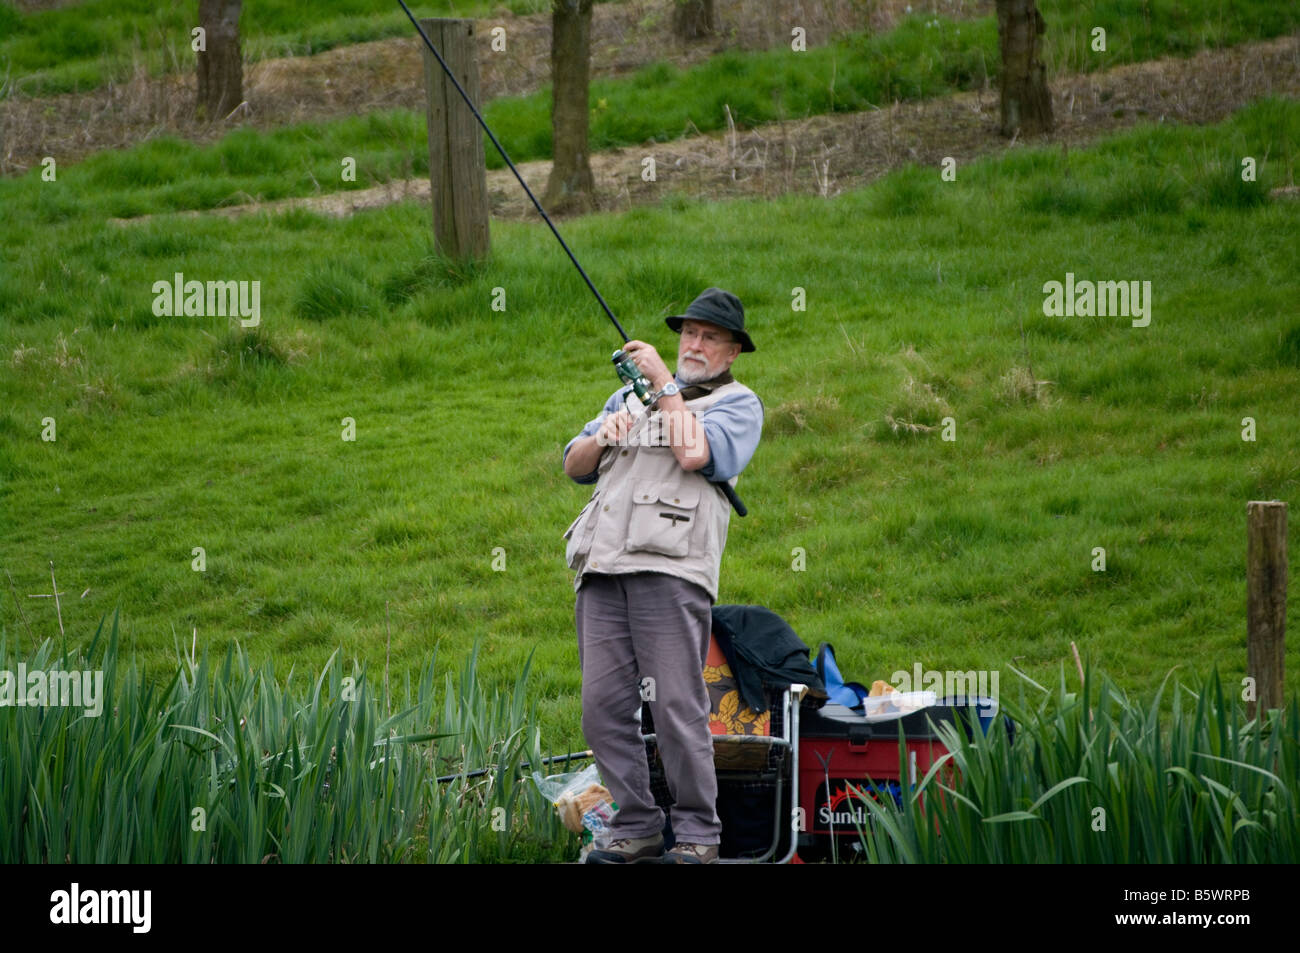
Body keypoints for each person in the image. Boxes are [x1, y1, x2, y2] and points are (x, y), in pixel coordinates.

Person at [561, 287, 763, 864]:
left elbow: (697, 453)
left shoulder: (739, 404)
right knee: (601, 709)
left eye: (709, 337)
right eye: (688, 333)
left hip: (671, 569)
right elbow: (573, 463)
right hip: (602, 568)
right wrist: (605, 433)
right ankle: (638, 825)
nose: (694, 345)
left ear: (732, 352)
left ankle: (700, 835)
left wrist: (666, 389)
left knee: (676, 705)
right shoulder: (630, 395)